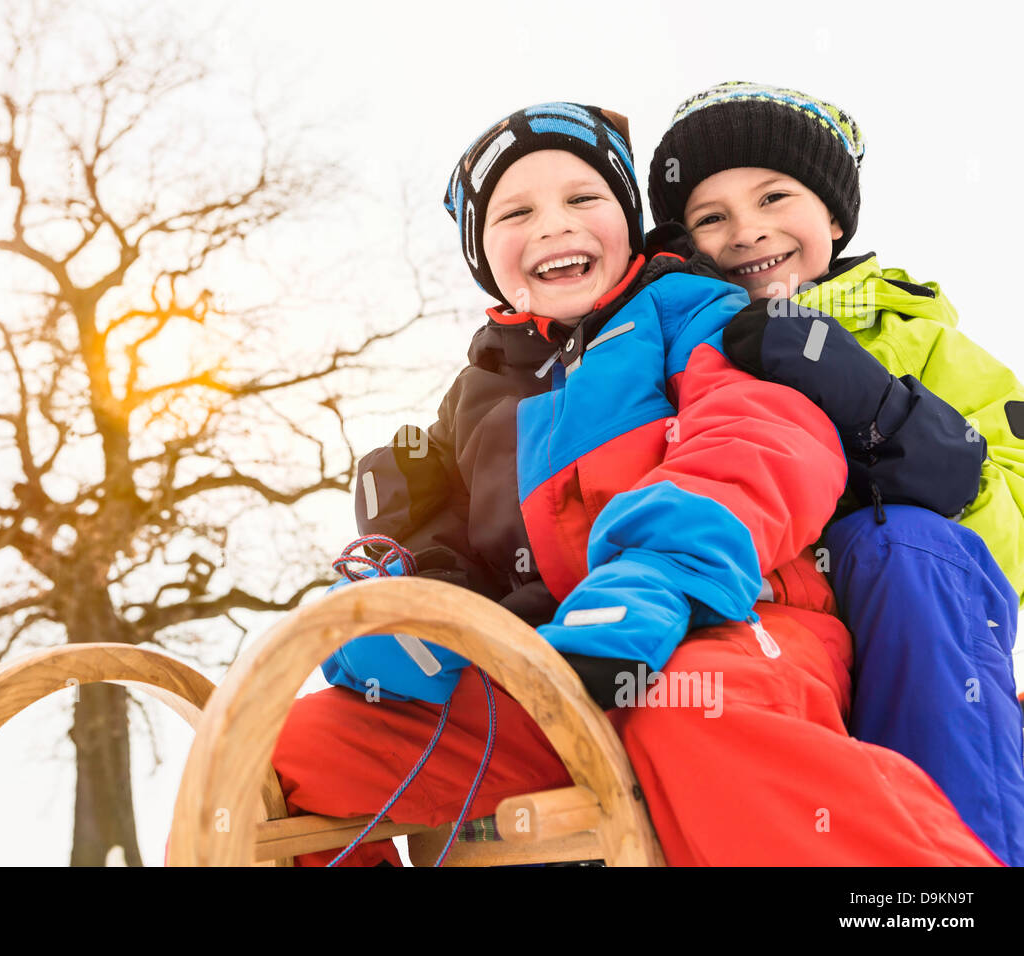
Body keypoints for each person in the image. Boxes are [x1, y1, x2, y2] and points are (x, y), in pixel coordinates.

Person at [269, 101, 1004, 866]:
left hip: (733, 624)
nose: (554, 225)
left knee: (684, 714)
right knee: (303, 749)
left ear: (630, 222)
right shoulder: (475, 399)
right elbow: (444, 547)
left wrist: (653, 578)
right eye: (517, 211)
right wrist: (401, 609)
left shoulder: (696, 312)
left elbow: (761, 441)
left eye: (583, 199)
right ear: (484, 259)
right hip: (558, 667)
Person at [647, 80, 1024, 866]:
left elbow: (1008, 524)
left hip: (923, 634)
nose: (747, 232)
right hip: (761, 631)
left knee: (896, 544)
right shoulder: (677, 346)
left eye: (774, 196)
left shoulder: (922, 341)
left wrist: (879, 408)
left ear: (834, 217)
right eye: (711, 217)